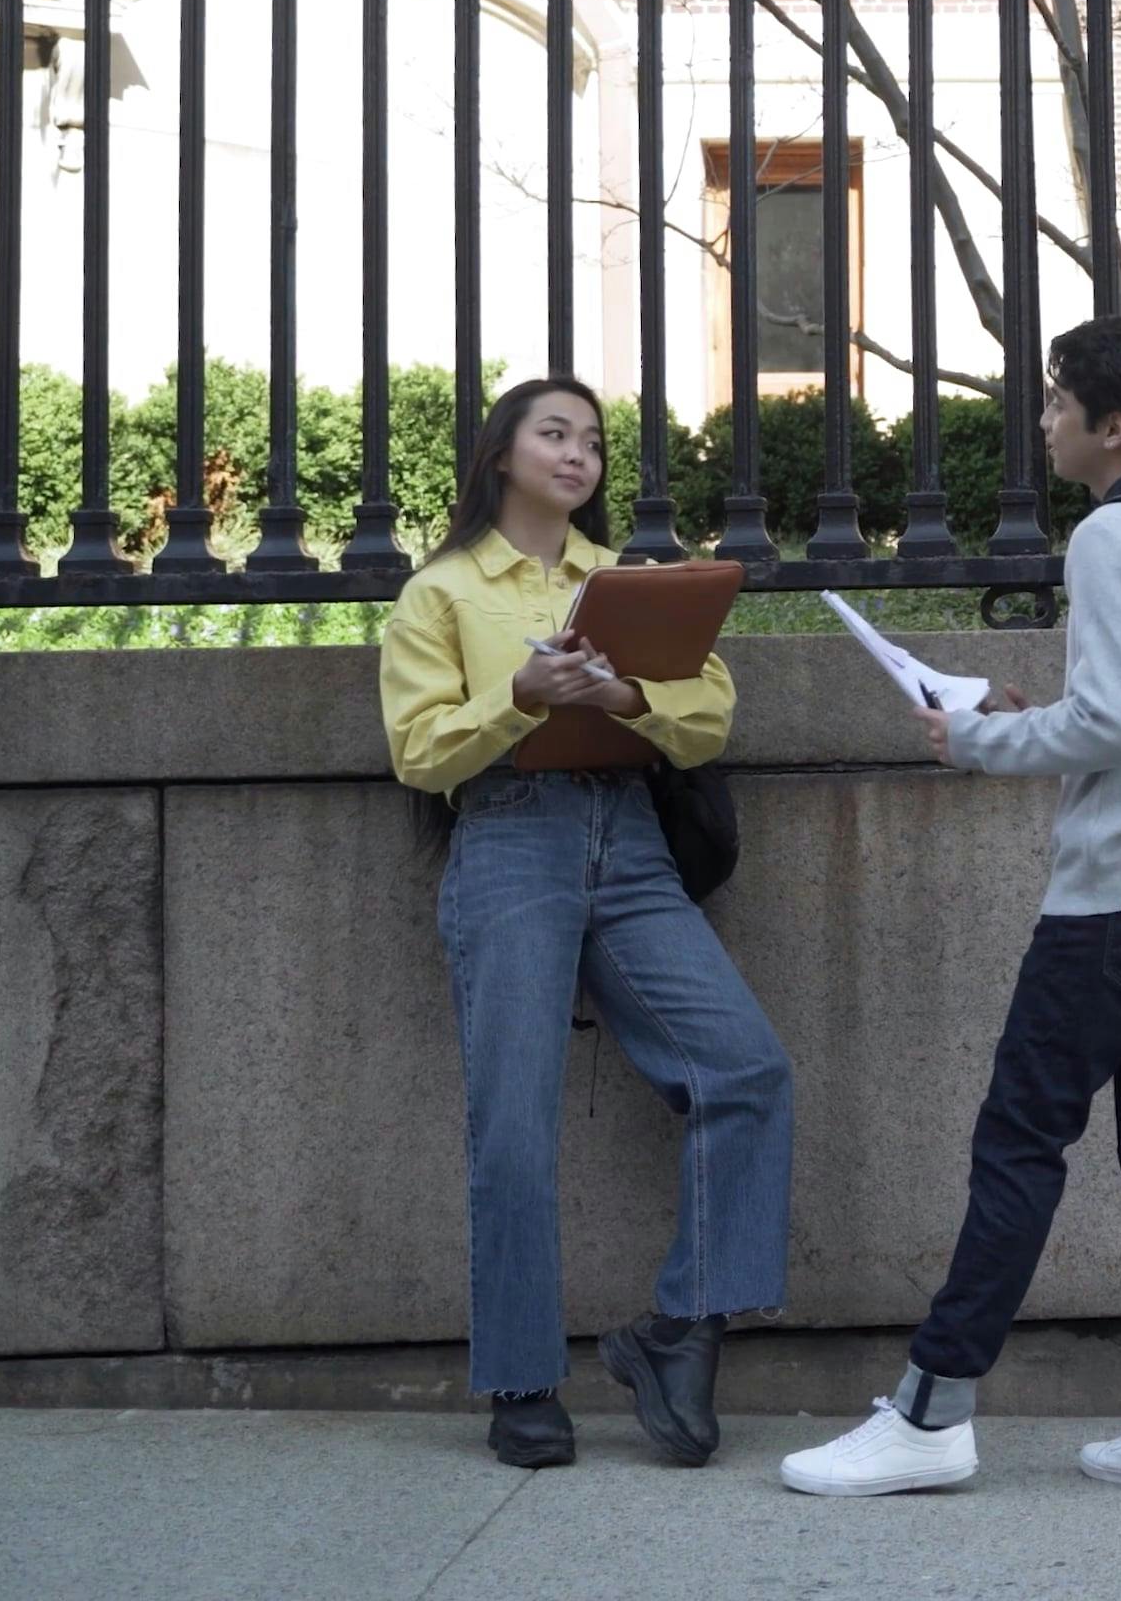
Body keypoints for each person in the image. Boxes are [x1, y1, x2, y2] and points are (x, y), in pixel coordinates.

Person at [781, 317, 1121, 1501]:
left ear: (1114, 428)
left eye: (1059, 404)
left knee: (1018, 1140)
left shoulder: (1111, 532)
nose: (1044, 421)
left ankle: (933, 1413)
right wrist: (1029, 705)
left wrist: (977, 737)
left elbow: (1114, 727)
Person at [380, 375, 793, 1470]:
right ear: (502, 453)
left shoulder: (628, 585)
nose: (578, 454)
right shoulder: (444, 592)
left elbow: (707, 716)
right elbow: (418, 751)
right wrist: (520, 694)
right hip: (511, 836)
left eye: (593, 441)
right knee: (513, 1120)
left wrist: (620, 700)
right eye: (553, 434)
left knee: (744, 1070)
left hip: (632, 840)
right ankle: (520, 1381)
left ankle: (681, 1331)